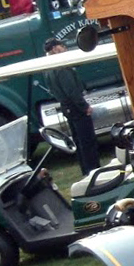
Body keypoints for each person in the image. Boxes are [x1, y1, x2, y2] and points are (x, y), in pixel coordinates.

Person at [43, 39, 99, 174]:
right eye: (62, 46)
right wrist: (84, 106)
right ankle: (93, 170)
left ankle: (86, 169)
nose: (65, 49)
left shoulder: (47, 68)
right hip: (76, 107)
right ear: (55, 49)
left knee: (79, 141)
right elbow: (71, 90)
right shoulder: (61, 67)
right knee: (87, 141)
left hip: (66, 107)